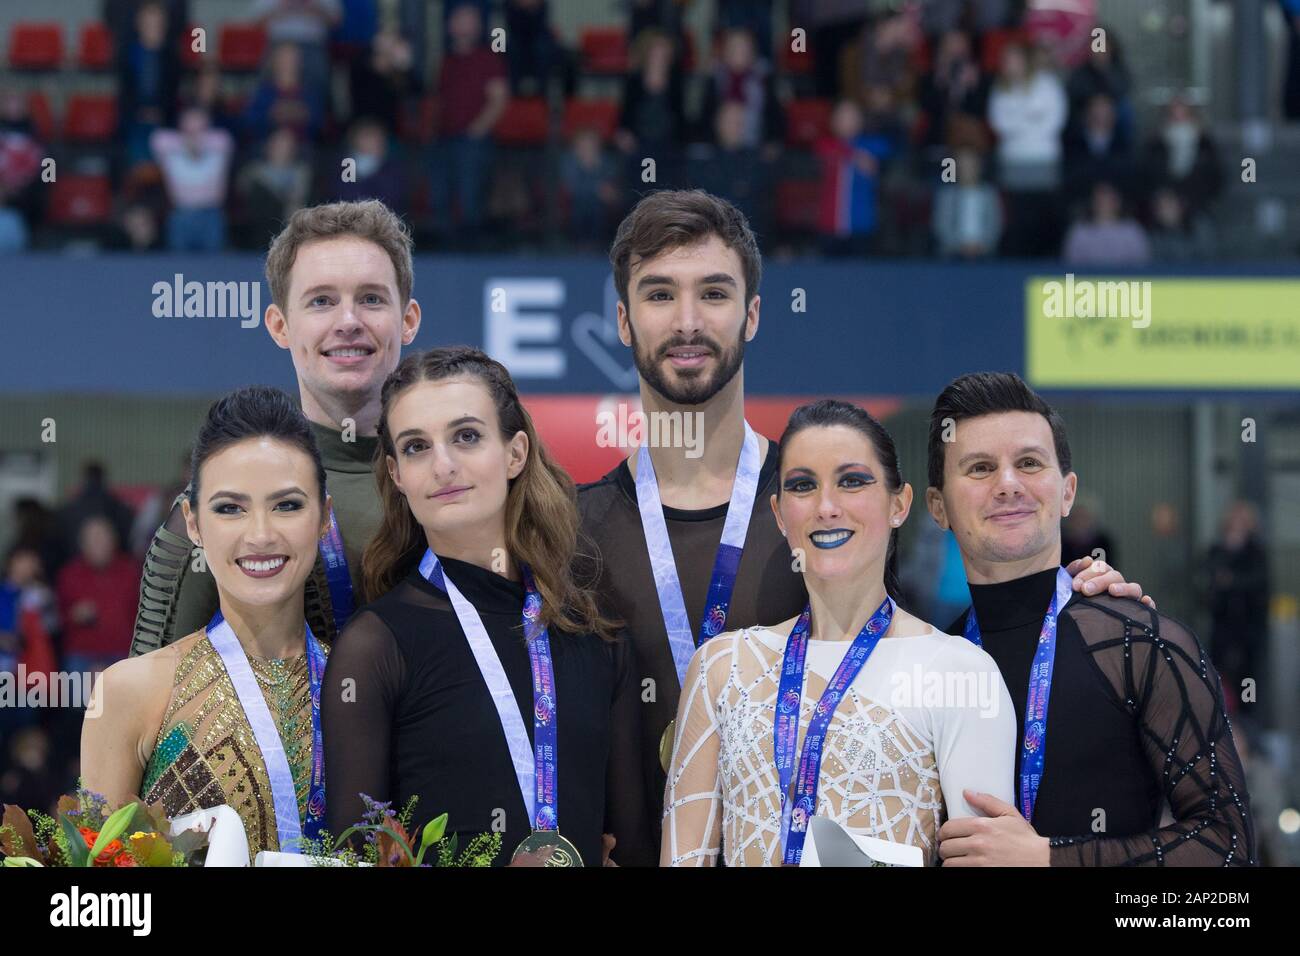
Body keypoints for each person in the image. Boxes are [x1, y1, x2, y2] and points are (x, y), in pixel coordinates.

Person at [578, 189, 1141, 845]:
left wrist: (1068, 599)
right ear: (622, 320)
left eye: (713, 292)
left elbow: (921, 663)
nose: (687, 320)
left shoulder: (831, 518)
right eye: (659, 295)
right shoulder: (568, 531)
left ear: (753, 314)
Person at [322, 348, 654, 866]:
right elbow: (354, 856)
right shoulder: (375, 645)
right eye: (416, 447)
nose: (443, 464)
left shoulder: (596, 635)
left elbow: (632, 850)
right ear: (397, 474)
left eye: (467, 436)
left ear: (516, 452)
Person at [662, 400, 1016, 866]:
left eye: (852, 481)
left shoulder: (960, 671)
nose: (827, 507)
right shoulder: (720, 667)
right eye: (803, 486)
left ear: (899, 504)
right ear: (780, 513)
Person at [926, 373, 1256, 865]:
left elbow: (1228, 846)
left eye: (1029, 463)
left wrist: (1050, 859)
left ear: (1067, 491)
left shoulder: (1142, 644)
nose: (1008, 484)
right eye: (979, 468)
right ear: (938, 506)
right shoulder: (928, 662)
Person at [130, 199, 422, 656]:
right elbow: (149, 703)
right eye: (321, 301)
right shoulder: (220, 502)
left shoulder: (456, 482)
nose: (348, 322)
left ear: (407, 320)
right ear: (280, 326)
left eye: (371, 298)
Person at [82, 387, 333, 860]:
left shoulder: (364, 688)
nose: (260, 534)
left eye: (287, 505)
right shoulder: (128, 691)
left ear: (324, 516)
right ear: (193, 522)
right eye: (229, 508)